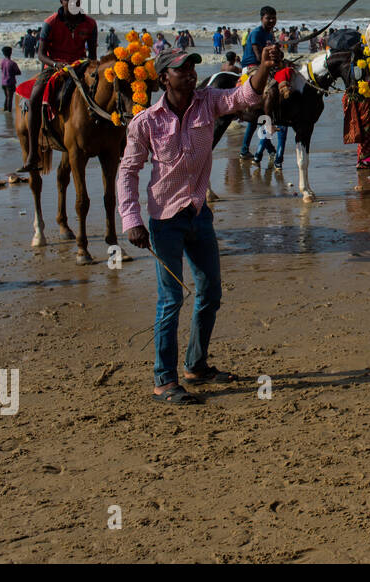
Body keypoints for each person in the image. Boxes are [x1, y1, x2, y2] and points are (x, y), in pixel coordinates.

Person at [118, 43, 280, 404]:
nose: (190, 74)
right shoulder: (145, 122)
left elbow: (245, 97)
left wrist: (266, 67)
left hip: (199, 215)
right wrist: (131, 219)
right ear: (164, 78)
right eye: (181, 69)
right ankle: (164, 381)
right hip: (164, 222)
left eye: (192, 68)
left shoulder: (208, 101)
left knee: (210, 293)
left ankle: (196, 365)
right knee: (171, 299)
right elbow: (127, 171)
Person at [20, 0, 98, 171]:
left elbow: (93, 55)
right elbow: (40, 54)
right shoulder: (50, 22)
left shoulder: (90, 23)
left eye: (77, 0)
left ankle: (116, 143)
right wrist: (56, 64)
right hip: (54, 67)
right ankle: (32, 155)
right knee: (35, 97)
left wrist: (90, 68)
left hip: (80, 66)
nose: (72, 3)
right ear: (61, 1)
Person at [239, 6, 279, 161]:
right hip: (253, 67)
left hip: (264, 66)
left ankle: (248, 149)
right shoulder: (256, 33)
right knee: (272, 89)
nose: (271, 20)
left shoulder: (270, 34)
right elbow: (258, 55)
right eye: (268, 18)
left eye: (274, 18)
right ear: (262, 18)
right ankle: (269, 124)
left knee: (256, 117)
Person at [0, 46, 21, 111]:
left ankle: (5, 109)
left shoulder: (2, 62)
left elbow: (2, 69)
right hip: (10, 82)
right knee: (10, 98)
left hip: (3, 82)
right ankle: (9, 111)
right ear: (11, 53)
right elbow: (19, 72)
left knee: (6, 97)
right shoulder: (12, 63)